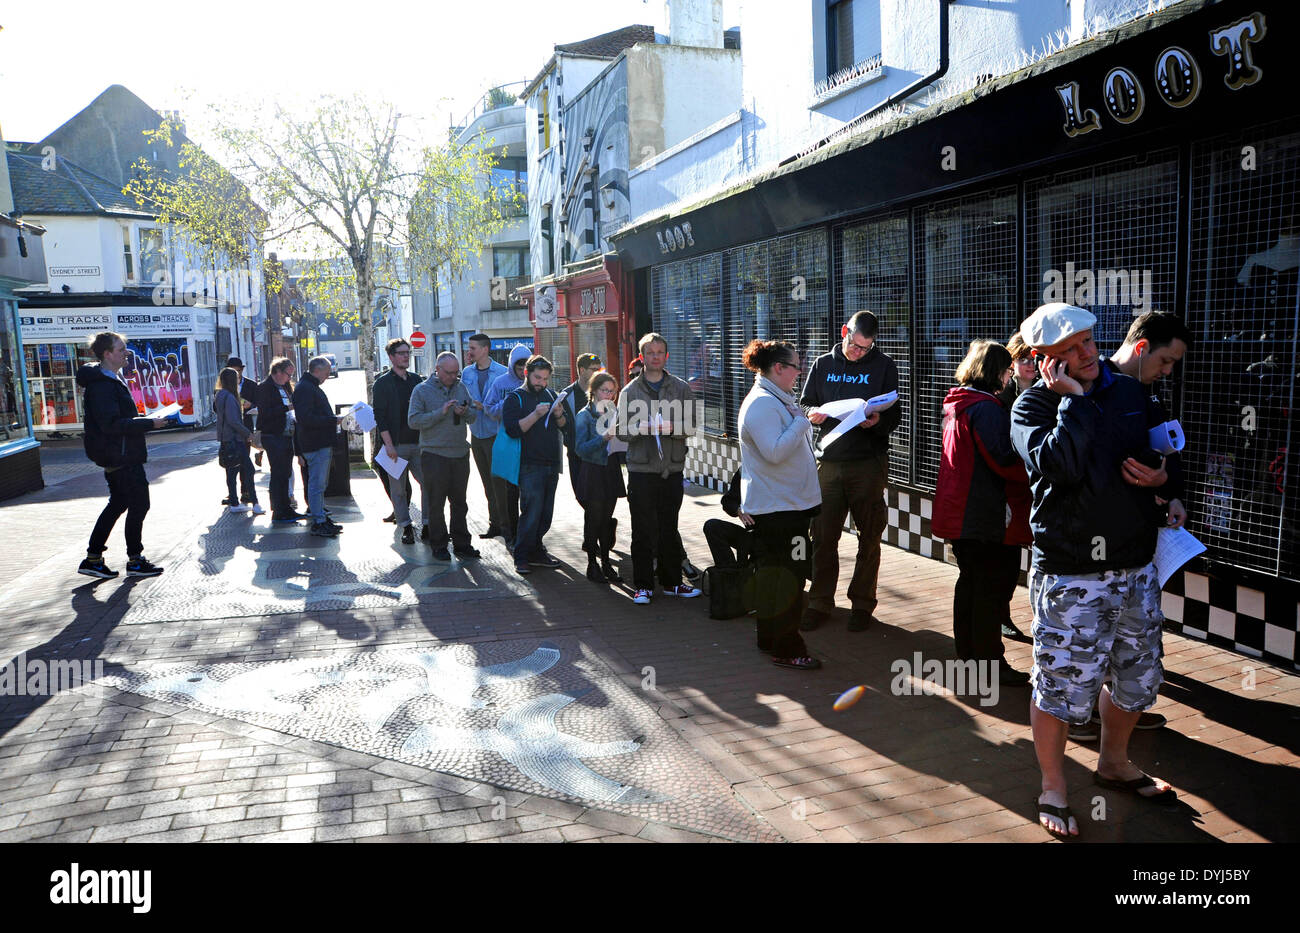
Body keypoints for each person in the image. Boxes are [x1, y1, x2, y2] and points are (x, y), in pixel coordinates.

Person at [1010, 302, 1177, 839]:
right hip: (1073, 572)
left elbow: (1166, 451)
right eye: (1070, 350)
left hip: (1136, 566)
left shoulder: (1130, 392)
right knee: (1061, 686)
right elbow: (1059, 465)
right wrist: (1073, 402)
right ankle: (1053, 785)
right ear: (1045, 358)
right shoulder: (1031, 406)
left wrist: (1166, 483)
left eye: (1088, 341)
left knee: (1137, 678)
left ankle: (1114, 763)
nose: (1086, 354)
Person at [932, 340, 1032, 686]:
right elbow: (1003, 458)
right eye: (1006, 371)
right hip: (985, 514)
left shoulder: (957, 402)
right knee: (991, 589)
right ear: (996, 372)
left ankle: (970, 655)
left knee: (971, 585)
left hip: (962, 511)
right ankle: (989, 662)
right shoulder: (986, 408)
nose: (1008, 377)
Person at [800, 309, 902, 631]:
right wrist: (812, 413)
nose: (858, 352)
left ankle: (862, 604)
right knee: (822, 535)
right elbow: (805, 402)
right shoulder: (822, 364)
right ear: (844, 332)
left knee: (869, 535)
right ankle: (819, 602)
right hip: (829, 461)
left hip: (867, 462)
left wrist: (878, 421)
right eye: (854, 345)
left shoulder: (884, 365)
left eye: (865, 348)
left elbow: (895, 413)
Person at [737, 339, 822, 670]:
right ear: (778, 368)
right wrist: (802, 422)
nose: (800, 373)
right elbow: (774, 452)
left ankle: (770, 638)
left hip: (786, 506)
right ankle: (788, 648)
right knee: (790, 578)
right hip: (782, 510)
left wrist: (799, 422)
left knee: (775, 576)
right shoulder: (762, 404)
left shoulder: (775, 399)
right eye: (796, 367)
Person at [76, 331, 169, 579]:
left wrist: (144, 421)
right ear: (107, 354)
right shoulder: (102, 385)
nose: (126, 353)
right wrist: (148, 423)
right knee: (139, 504)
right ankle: (134, 560)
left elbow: (118, 420)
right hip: (121, 456)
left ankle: (93, 558)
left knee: (119, 503)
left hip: (122, 454)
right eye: (121, 349)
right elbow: (111, 425)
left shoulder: (110, 379)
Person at [617, 333, 701, 605]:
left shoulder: (681, 388)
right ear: (642, 357)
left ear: (667, 355)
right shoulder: (629, 391)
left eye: (659, 352)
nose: (655, 357)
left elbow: (693, 425)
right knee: (642, 530)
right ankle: (643, 586)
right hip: (642, 472)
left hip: (671, 470)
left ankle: (672, 582)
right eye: (650, 353)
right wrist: (640, 428)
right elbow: (620, 430)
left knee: (669, 528)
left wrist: (673, 427)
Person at [408, 351, 479, 562]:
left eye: (456, 373)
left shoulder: (461, 387)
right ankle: (439, 545)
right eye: (449, 373)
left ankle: (462, 544)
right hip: (434, 454)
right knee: (436, 502)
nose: (453, 377)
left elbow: (473, 416)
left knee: (460, 503)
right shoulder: (421, 390)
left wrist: (464, 412)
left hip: (459, 453)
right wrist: (441, 412)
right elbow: (413, 421)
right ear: (437, 370)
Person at [503, 356, 566, 575]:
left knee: (545, 514)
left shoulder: (550, 395)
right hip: (529, 464)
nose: (541, 383)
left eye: (545, 379)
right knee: (531, 512)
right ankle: (521, 555)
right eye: (538, 378)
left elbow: (564, 426)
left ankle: (537, 551)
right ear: (526, 373)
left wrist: (559, 414)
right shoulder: (515, 398)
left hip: (551, 463)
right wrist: (535, 414)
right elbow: (513, 430)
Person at [373, 338, 427, 545]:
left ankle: (428, 523)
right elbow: (380, 417)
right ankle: (405, 526)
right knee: (398, 490)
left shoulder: (416, 380)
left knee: (428, 484)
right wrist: (388, 445)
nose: (406, 356)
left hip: (419, 443)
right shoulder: (382, 383)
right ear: (391, 356)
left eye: (408, 352)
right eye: (402, 353)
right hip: (395, 445)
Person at [574, 371, 625, 583]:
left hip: (611, 469)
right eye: (605, 390)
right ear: (594, 391)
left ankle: (606, 563)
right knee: (594, 519)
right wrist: (603, 438)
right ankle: (592, 564)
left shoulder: (614, 412)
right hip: (593, 470)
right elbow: (580, 449)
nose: (609, 395)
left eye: (612, 392)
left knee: (607, 519)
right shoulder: (584, 415)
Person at [484, 344, 532, 548]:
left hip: (530, 444)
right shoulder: (500, 382)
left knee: (530, 494)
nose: (522, 372)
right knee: (510, 493)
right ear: (512, 366)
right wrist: (507, 404)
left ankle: (530, 535)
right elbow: (488, 409)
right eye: (519, 368)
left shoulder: (535, 382)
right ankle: (512, 534)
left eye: (525, 368)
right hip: (509, 443)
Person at [462, 334, 509, 539]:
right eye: (469, 347)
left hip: (495, 434)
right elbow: (463, 397)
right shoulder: (467, 372)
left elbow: (508, 404)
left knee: (499, 482)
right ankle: (494, 524)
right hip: (476, 434)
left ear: (485, 349)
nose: (469, 351)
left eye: (473, 348)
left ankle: (507, 526)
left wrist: (487, 407)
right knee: (487, 484)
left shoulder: (502, 373)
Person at [292, 356, 344, 538]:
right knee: (317, 484)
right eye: (327, 372)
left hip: (318, 442)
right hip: (315, 443)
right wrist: (332, 420)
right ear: (317, 370)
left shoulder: (308, 386)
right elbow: (305, 419)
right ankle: (318, 521)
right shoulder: (306, 388)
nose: (328, 376)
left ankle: (320, 517)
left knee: (320, 484)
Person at [257, 357, 304, 524]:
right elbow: (265, 413)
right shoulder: (265, 388)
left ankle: (286, 508)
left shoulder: (284, 387)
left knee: (286, 473)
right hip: (273, 435)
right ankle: (278, 510)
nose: (289, 378)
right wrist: (287, 407)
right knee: (278, 474)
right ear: (277, 372)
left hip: (286, 434)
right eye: (288, 374)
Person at [215, 367, 262, 515]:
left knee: (231, 471)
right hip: (235, 439)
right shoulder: (230, 397)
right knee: (249, 470)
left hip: (226, 439)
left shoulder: (220, 395)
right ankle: (255, 503)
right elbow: (233, 421)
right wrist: (248, 434)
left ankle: (234, 502)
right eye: (236, 379)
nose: (238, 381)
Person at [561, 352, 603, 499]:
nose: (598, 373)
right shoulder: (567, 395)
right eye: (594, 369)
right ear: (582, 370)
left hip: (599, 454)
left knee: (600, 497)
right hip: (576, 455)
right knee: (581, 495)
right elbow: (563, 427)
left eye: (599, 369)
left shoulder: (603, 392)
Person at [704, 469, 753, 569]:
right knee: (712, 526)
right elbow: (728, 501)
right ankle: (729, 573)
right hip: (752, 535)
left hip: (779, 538)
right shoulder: (745, 470)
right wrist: (738, 510)